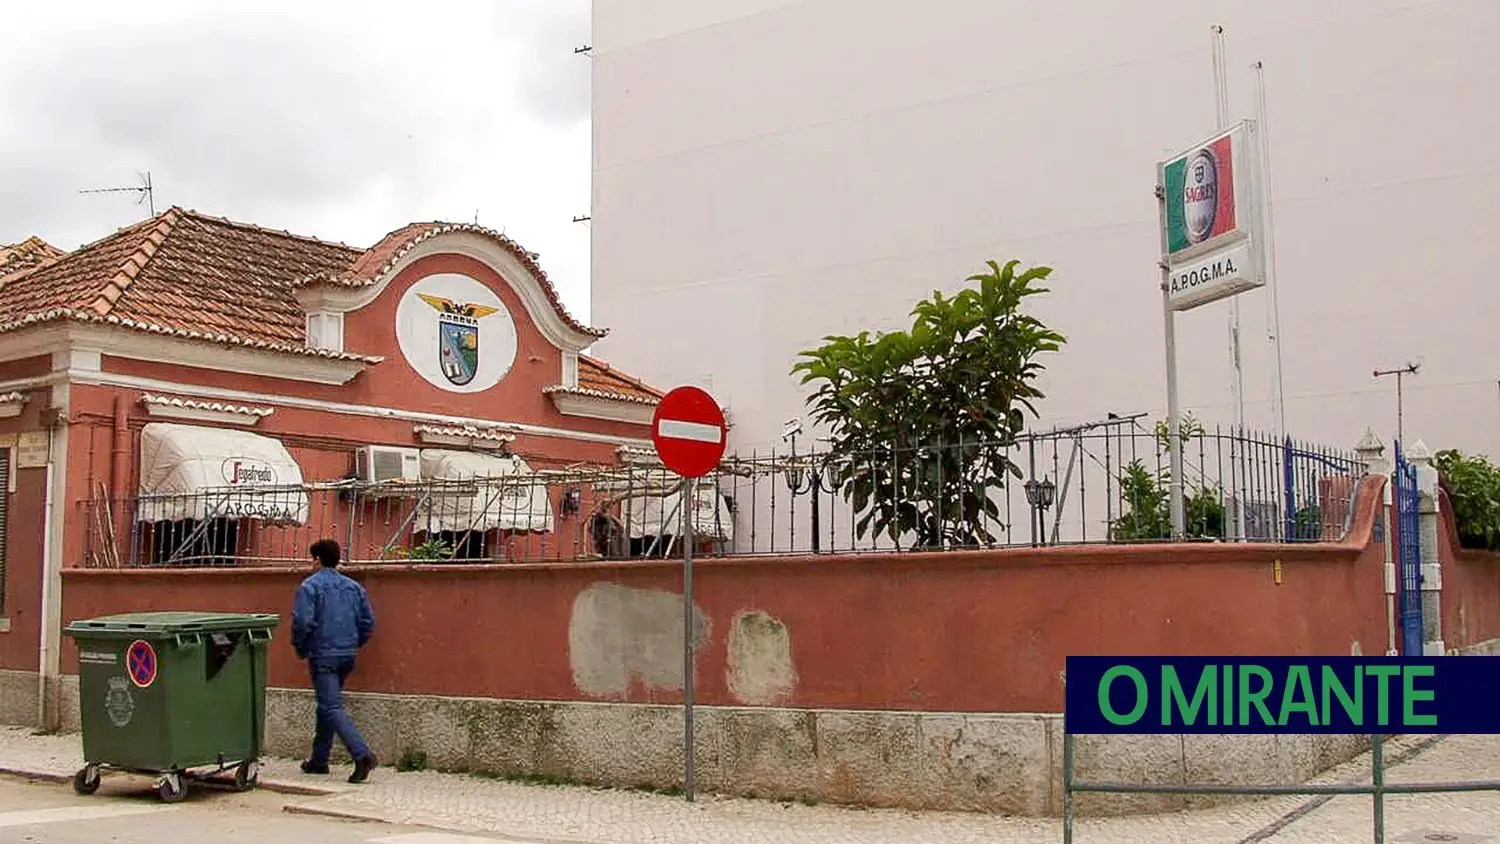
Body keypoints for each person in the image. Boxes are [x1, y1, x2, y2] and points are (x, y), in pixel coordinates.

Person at [291, 538, 378, 783]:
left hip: (322, 653)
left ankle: (362, 754)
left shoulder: (310, 586)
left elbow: (302, 622)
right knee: (327, 705)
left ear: (317, 560)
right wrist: (354, 642)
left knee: (330, 706)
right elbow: (368, 623)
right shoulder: (354, 587)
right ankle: (319, 760)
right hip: (347, 653)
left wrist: (300, 646)